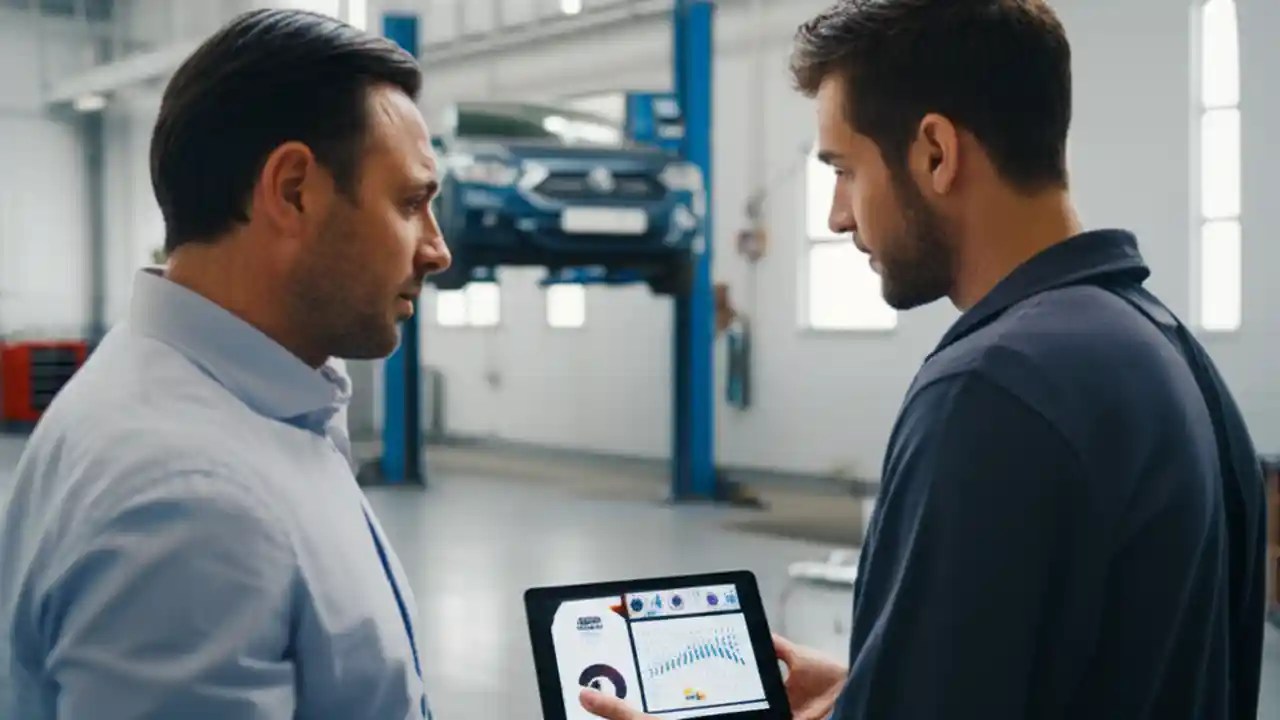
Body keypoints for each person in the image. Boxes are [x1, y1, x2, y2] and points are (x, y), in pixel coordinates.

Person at [581, 1, 1267, 719]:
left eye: (845, 171)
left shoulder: (994, 388)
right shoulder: (1167, 350)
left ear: (936, 153)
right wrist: (871, 689)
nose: (837, 216)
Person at [0, 9, 450, 719]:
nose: (436, 249)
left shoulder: (224, 398)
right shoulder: (188, 499)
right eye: (412, 203)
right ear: (294, 189)